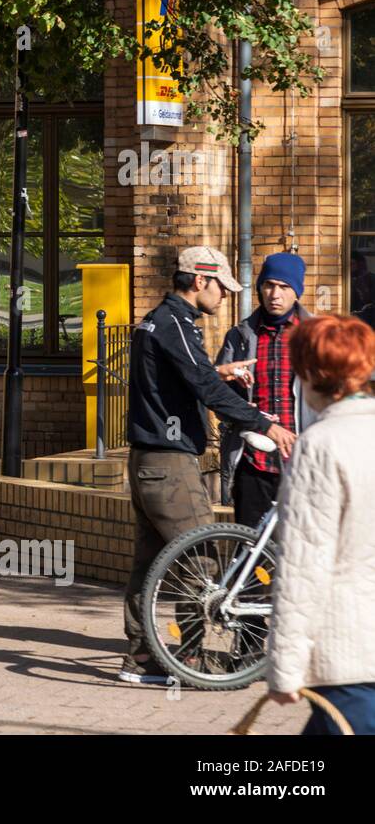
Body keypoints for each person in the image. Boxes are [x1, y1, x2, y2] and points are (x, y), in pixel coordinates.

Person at [120, 246, 296, 684]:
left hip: (147, 460)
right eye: (221, 287)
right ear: (200, 280)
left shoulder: (159, 322)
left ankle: (141, 658)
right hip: (169, 461)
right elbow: (200, 386)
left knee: (151, 563)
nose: (224, 298)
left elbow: (179, 378)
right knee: (200, 561)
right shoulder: (175, 323)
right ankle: (192, 659)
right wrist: (263, 423)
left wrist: (218, 373)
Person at [267, 314, 375, 734]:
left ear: (311, 373)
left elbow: (302, 565)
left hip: (348, 654)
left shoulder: (320, 445)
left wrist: (284, 666)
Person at [214, 252, 315, 528]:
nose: (275, 294)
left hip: (303, 461)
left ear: (297, 292)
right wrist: (239, 407)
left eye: (284, 287)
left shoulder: (316, 335)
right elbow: (218, 396)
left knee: (301, 546)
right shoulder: (240, 335)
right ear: (259, 287)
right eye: (269, 285)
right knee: (250, 547)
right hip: (253, 459)